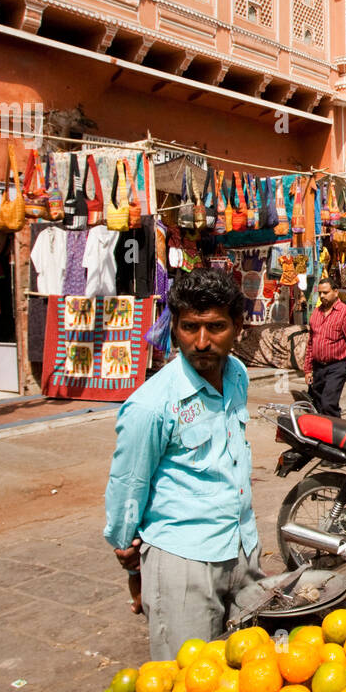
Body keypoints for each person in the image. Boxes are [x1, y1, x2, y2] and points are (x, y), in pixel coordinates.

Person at [103, 270, 264, 658]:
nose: (202, 342)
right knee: (188, 689)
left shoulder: (238, 376)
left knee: (248, 678)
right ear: (174, 327)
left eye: (215, 327)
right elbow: (127, 487)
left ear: (238, 327)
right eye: (190, 327)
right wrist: (132, 567)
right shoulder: (152, 405)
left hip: (242, 549)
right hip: (183, 563)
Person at [304, 277, 346, 418]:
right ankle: (321, 435)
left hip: (337, 366)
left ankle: (336, 435)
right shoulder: (316, 314)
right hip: (319, 367)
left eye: (326, 292)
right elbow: (311, 342)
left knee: (328, 404)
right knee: (316, 404)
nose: (322, 296)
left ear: (336, 292)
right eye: (320, 293)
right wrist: (307, 369)